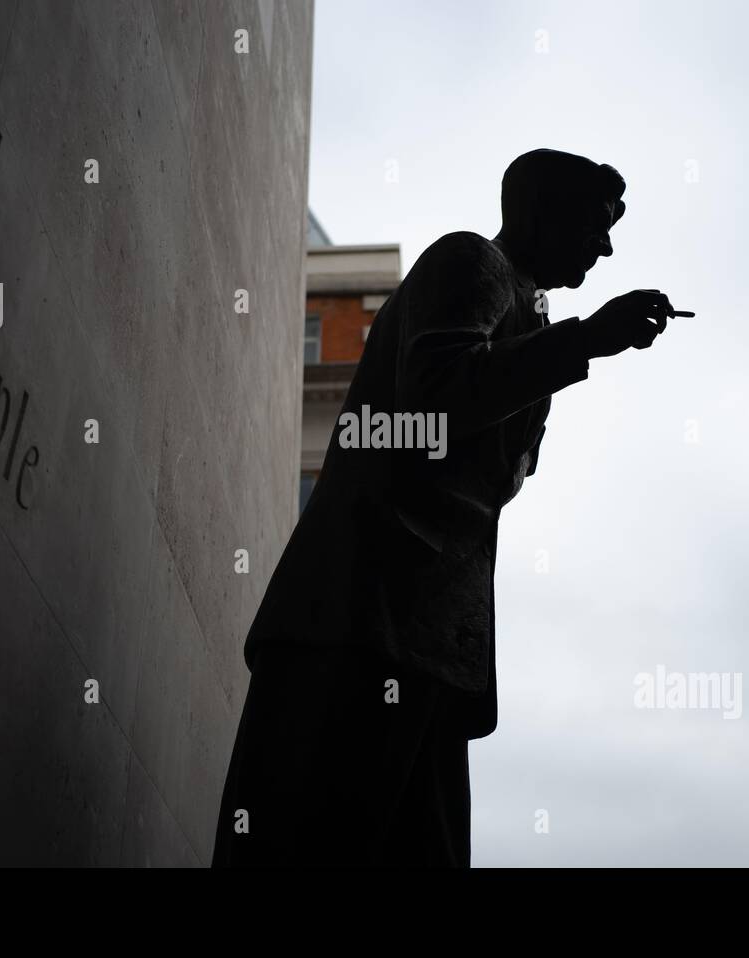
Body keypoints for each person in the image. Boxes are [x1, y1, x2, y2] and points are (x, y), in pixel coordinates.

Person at [211, 148, 679, 867]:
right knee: (305, 837)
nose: (607, 244)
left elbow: (494, 476)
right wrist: (586, 340)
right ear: (538, 213)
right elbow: (435, 397)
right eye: (595, 223)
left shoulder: (523, 305)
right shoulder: (471, 263)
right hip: (364, 616)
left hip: (424, 635)